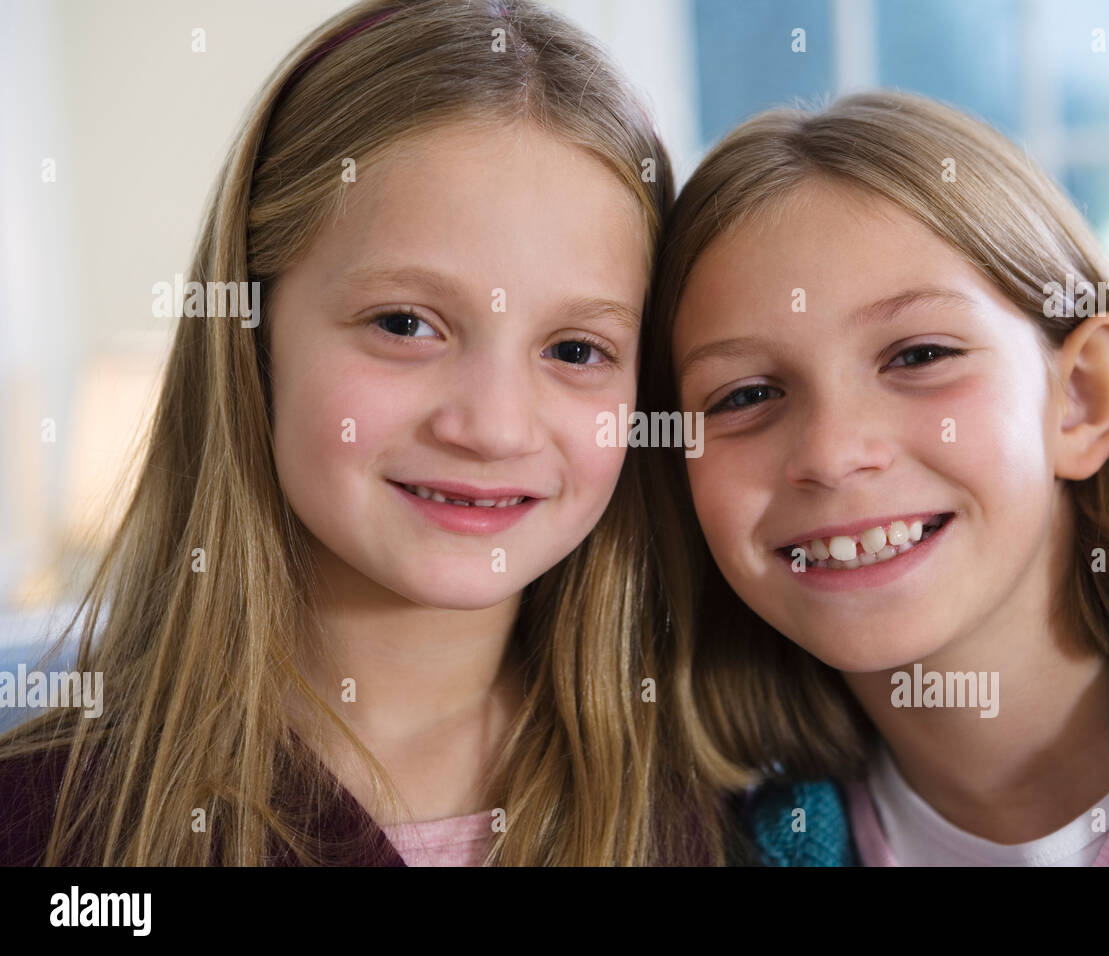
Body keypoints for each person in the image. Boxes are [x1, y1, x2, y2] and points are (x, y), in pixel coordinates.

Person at [0, 0, 734, 867]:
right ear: (252, 330)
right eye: (405, 324)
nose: (493, 427)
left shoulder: (721, 808)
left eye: (576, 348)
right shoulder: (45, 825)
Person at [642, 90, 1109, 866]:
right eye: (746, 397)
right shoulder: (720, 841)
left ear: (1083, 397)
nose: (830, 452)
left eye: (919, 356)